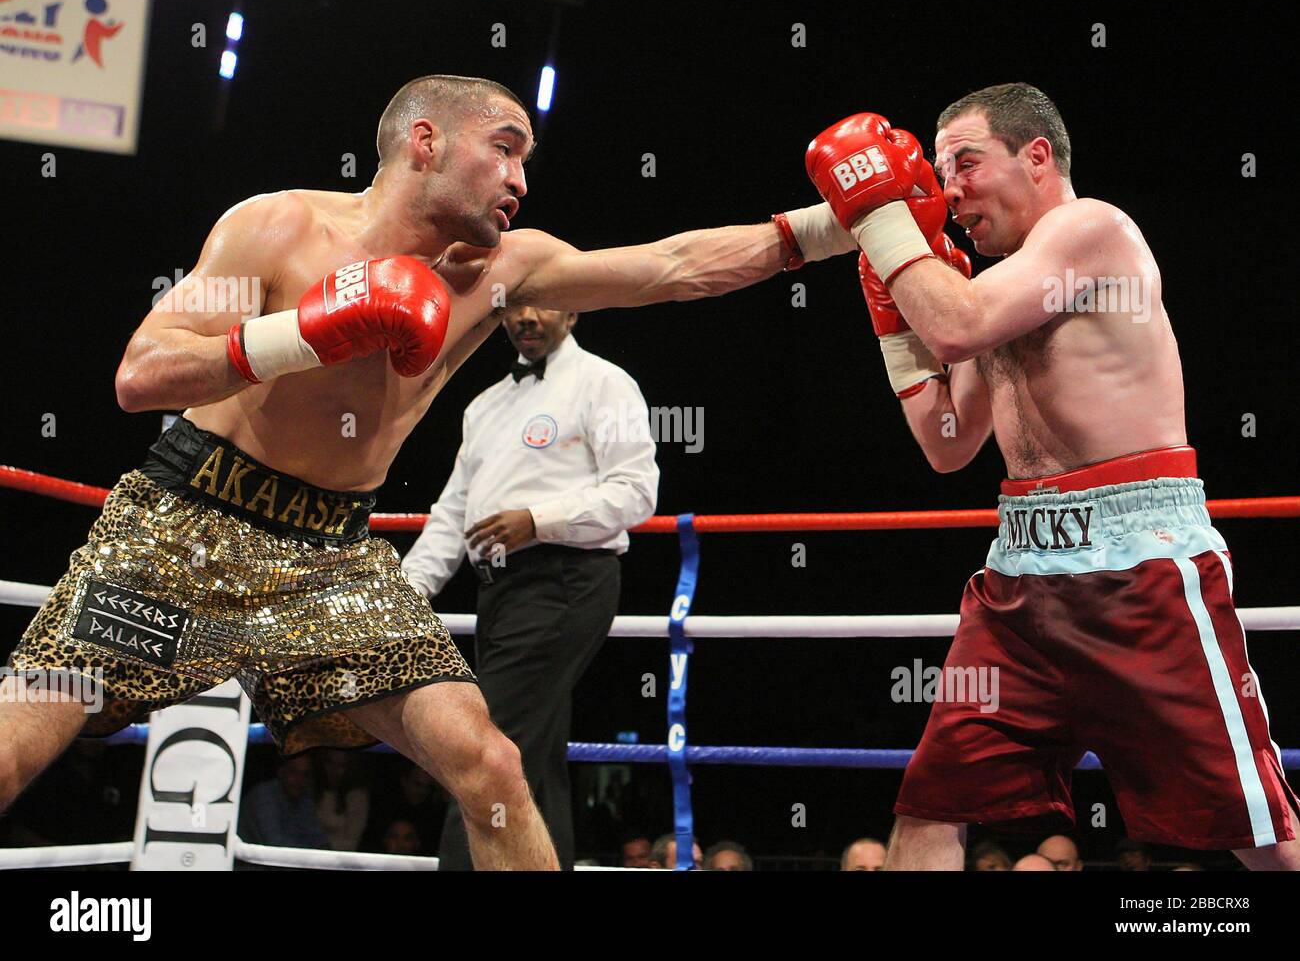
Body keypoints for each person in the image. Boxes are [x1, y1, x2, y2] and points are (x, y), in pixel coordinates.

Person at [0, 74, 854, 870]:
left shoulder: (504, 270)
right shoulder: (278, 226)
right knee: (15, 744)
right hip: (186, 522)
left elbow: (673, 268)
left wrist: (833, 227)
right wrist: (307, 330)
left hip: (330, 556)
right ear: (426, 141)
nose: (521, 176)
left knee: (488, 761)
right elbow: (141, 372)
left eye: (528, 160)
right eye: (506, 147)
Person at [804, 82, 1299, 870]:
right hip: (1018, 582)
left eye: (966, 163)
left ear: (1037, 156)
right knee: (931, 806)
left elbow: (956, 321)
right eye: (937, 172)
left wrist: (880, 215)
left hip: (1140, 571)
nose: (949, 189)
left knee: (1259, 833)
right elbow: (947, 442)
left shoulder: (1091, 230)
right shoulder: (999, 286)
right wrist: (894, 322)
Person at [402, 303, 657, 870]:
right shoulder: (486, 404)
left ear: (573, 309)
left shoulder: (604, 383)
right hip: (498, 591)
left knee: (479, 748)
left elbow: (636, 493)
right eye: (516, 305)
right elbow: (452, 514)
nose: (528, 317)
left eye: (543, 302)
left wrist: (539, 519)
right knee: (529, 761)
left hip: (565, 582)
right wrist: (407, 592)